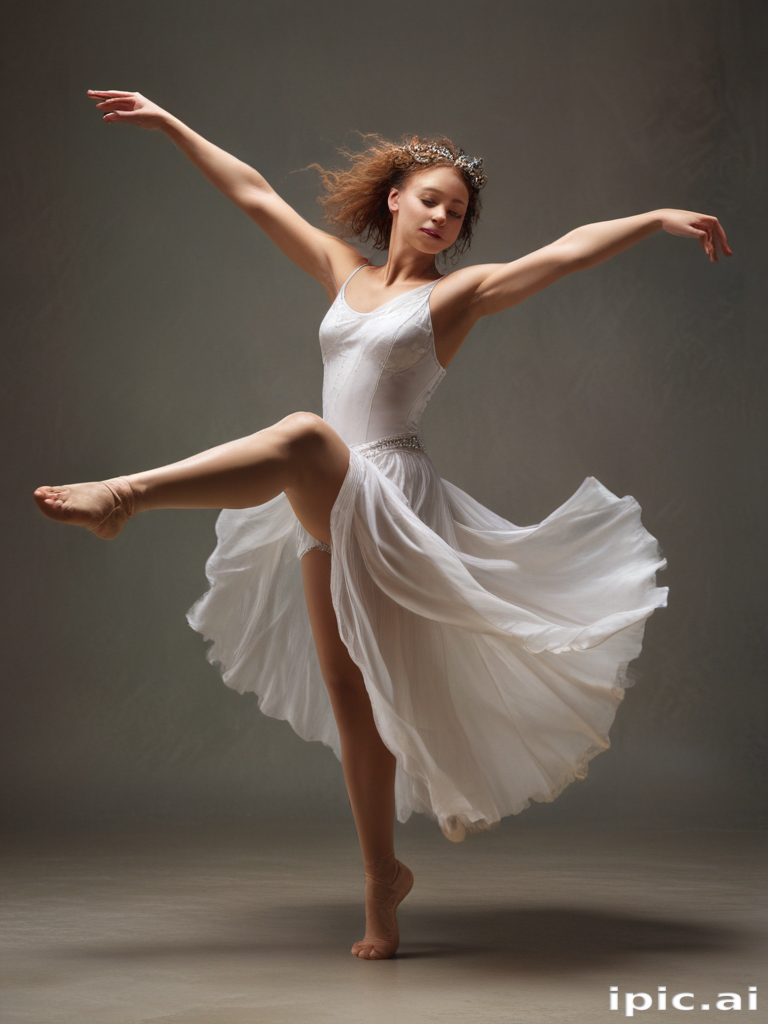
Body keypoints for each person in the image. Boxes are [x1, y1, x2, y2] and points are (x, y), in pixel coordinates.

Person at [34, 90, 732, 960]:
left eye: (460, 212)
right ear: (396, 198)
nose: (444, 217)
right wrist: (172, 125)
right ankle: (383, 884)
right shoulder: (345, 273)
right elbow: (254, 194)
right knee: (351, 702)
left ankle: (125, 497)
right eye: (432, 199)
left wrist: (657, 215)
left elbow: (563, 254)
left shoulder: (457, 297)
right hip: (326, 504)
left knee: (300, 438)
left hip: (386, 491)